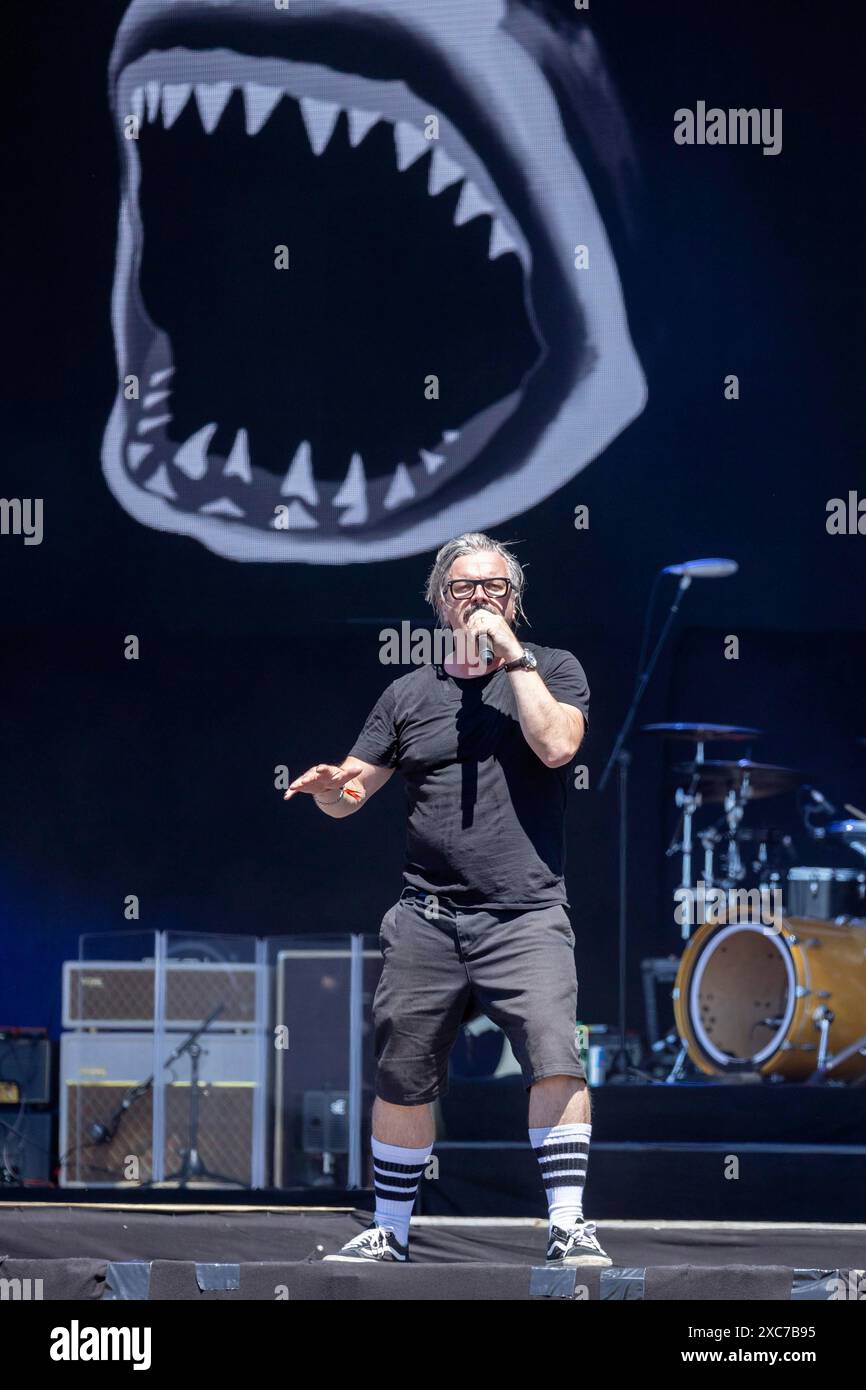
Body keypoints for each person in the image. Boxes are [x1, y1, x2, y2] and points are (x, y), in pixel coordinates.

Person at [285, 532, 610, 1267]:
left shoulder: (553, 668)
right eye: (464, 587)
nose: (480, 598)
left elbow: (558, 747)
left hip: (525, 915)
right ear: (439, 602)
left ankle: (567, 1225)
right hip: (426, 918)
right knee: (403, 1073)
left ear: (515, 601)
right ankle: (390, 1230)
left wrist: (513, 658)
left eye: (495, 587)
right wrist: (330, 791)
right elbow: (352, 793)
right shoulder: (407, 695)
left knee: (556, 1055)